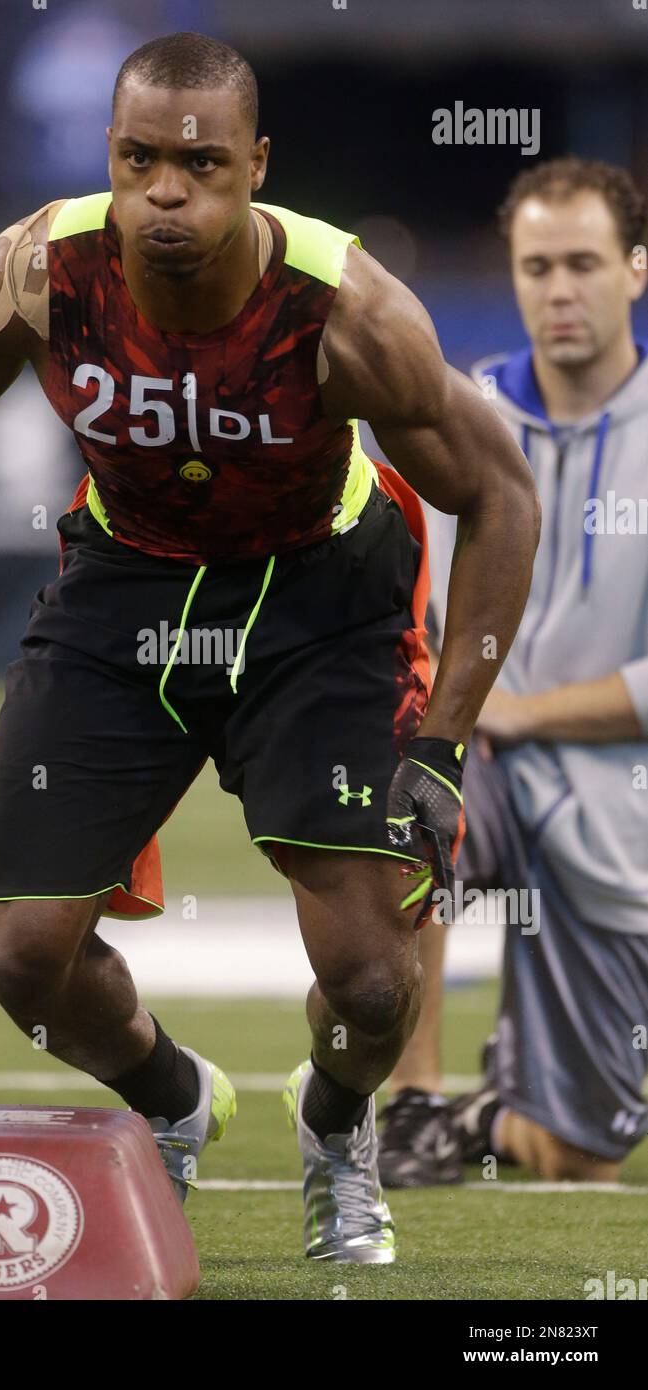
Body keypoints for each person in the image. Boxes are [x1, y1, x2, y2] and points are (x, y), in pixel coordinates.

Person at [0, 32, 538, 1263]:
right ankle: (174, 1098)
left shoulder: (344, 308)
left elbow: (503, 494)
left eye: (200, 165)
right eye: (140, 158)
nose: (166, 191)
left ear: (253, 166)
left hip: (322, 601)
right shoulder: (40, 272)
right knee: (18, 958)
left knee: (372, 982)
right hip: (124, 586)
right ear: (109, 153)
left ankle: (332, 1129)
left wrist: (442, 740)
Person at [379, 157, 648, 1188]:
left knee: (581, 1154)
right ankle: (407, 1103)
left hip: (614, 805)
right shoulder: (449, 415)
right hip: (468, 760)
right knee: (390, 820)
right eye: (536, 265)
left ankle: (488, 1115)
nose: (558, 289)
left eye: (583, 262)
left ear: (635, 270)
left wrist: (521, 714)